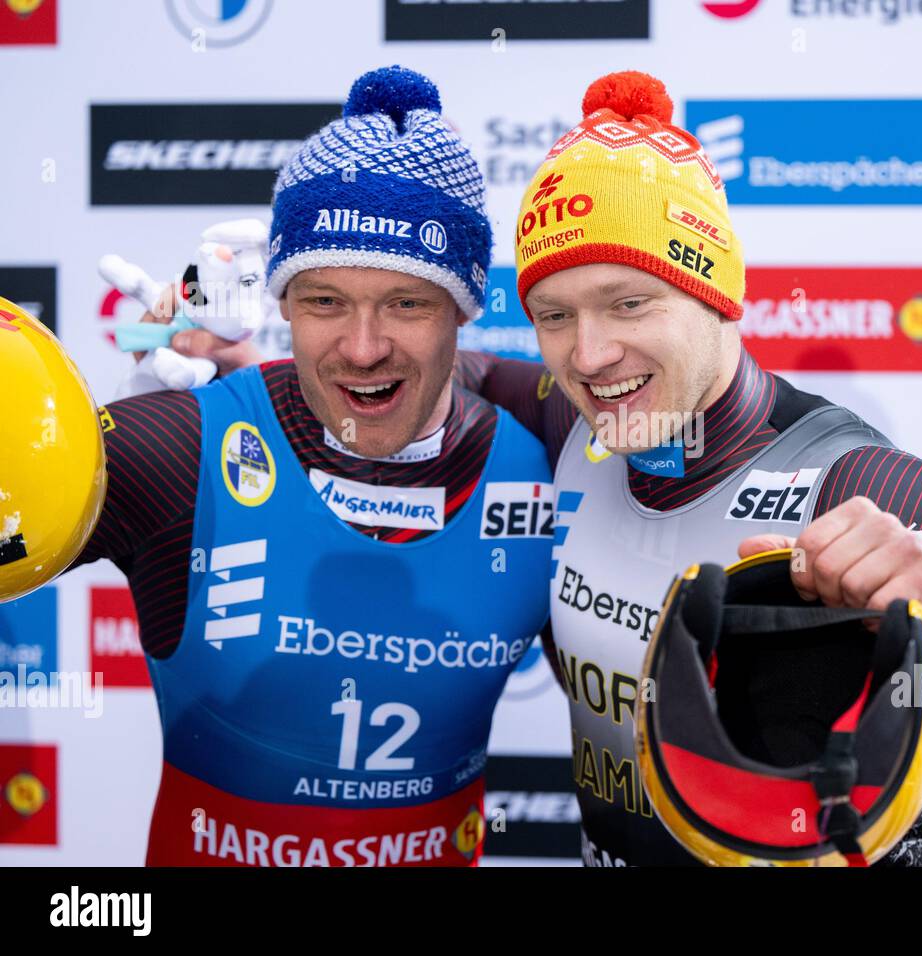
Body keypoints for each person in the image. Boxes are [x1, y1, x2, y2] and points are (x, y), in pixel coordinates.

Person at [458, 71, 922, 867]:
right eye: (554, 315)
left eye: (629, 303)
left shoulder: (854, 482)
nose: (591, 353)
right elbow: (426, 372)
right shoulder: (566, 418)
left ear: (715, 296)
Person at [27, 66, 553, 866]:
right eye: (324, 302)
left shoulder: (547, 454)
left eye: (407, 302)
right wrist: (58, 438)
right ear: (282, 306)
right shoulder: (185, 444)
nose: (363, 345)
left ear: (464, 306)